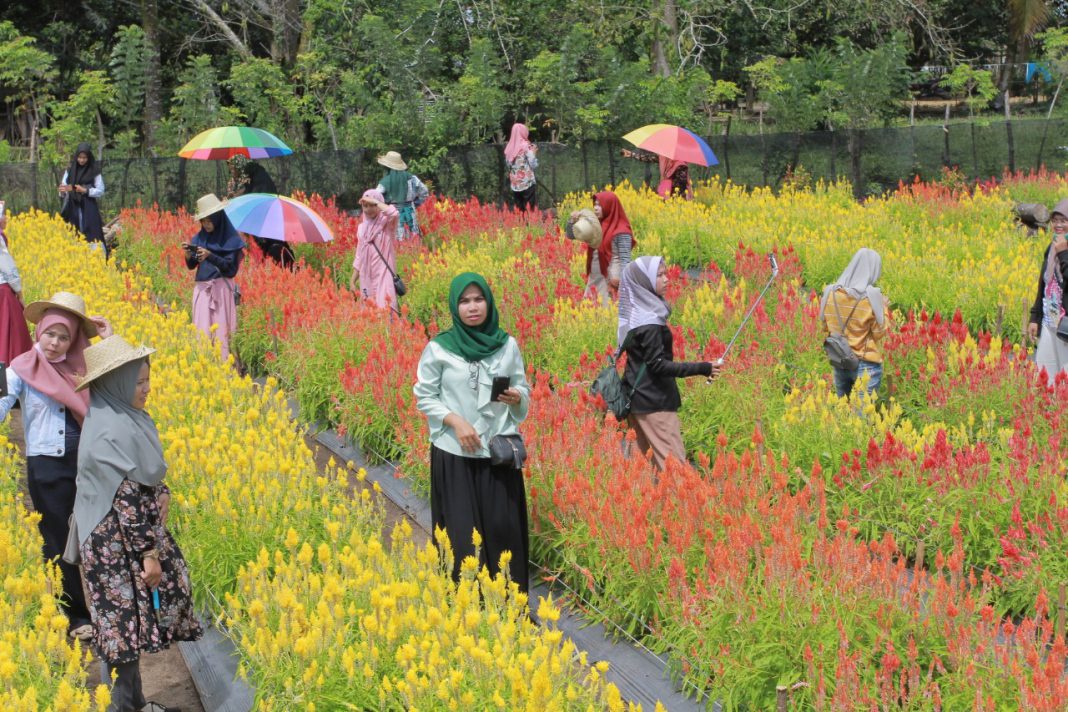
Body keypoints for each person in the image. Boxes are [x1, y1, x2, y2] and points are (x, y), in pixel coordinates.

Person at [71, 334, 202, 712]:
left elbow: (143, 476)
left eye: (147, 380)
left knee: (125, 626)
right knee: (120, 628)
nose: (146, 389)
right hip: (115, 546)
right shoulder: (109, 432)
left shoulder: (121, 418)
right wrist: (150, 556)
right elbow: (127, 501)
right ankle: (121, 707)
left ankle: (134, 703)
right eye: (138, 382)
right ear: (117, 385)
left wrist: (162, 492)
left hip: (122, 539)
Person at [0, 291, 112, 641]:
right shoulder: (18, 365)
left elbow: (119, 381)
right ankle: (77, 615)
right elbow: (2, 399)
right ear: (39, 331)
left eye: (64, 337)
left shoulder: (82, 366)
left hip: (88, 462)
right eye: (50, 333)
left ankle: (107, 609)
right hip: (47, 465)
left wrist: (109, 341)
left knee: (96, 534)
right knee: (59, 539)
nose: (55, 342)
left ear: (73, 340)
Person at [414, 273, 531, 593]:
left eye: (478, 299)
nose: (472, 307)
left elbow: (522, 388)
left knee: (502, 531)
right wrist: (454, 420)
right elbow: (425, 396)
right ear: (455, 307)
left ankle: (510, 605)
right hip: (455, 453)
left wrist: (517, 397)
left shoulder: (507, 345)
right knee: (462, 537)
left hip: (497, 453)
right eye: (464, 301)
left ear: (489, 302)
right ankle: (466, 606)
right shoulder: (439, 349)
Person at [618, 256, 716, 471]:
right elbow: (658, 365)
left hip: (637, 399)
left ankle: (654, 505)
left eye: (665, 273)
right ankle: (682, 505)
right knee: (675, 468)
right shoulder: (650, 322)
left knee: (646, 468)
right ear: (643, 281)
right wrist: (702, 368)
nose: (666, 279)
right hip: (655, 403)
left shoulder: (637, 314)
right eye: (659, 275)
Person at [183, 194, 245, 361]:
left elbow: (231, 269)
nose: (206, 225)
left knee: (222, 333)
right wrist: (189, 255)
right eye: (203, 221)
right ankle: (205, 368)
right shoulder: (199, 238)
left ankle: (225, 369)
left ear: (218, 218)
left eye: (209, 221)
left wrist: (210, 255)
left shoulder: (231, 239)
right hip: (202, 291)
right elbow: (192, 267)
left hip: (222, 291)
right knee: (202, 331)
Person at [819, 248, 888, 397]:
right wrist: (884, 308)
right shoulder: (871, 299)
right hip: (866, 366)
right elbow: (879, 333)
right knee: (861, 418)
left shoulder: (830, 293)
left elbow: (825, 326)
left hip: (839, 361)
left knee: (843, 414)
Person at [226, 155, 294, 268]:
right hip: (263, 225)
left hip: (267, 221)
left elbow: (254, 199)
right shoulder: (251, 175)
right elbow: (246, 194)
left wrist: (236, 198)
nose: (232, 172)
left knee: (272, 250)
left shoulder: (258, 176)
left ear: (240, 167)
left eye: (233, 169)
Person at [1028, 199, 1068, 377]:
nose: (1058, 225)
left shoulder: (1060, 249)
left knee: (1065, 378)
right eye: (1055, 220)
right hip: (1049, 323)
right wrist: (1035, 317)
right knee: (1043, 376)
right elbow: (1044, 284)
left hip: (1065, 326)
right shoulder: (1051, 248)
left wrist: (1064, 253)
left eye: (1063, 220)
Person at [575, 191, 634, 298]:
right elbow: (573, 235)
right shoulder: (597, 226)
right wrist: (573, 221)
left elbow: (625, 260)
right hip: (595, 278)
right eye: (595, 204)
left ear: (609, 206)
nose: (596, 208)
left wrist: (621, 284)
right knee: (590, 311)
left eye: (600, 205)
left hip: (611, 281)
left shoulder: (622, 230)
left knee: (606, 312)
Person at [350, 189, 400, 310]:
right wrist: (352, 281)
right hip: (367, 275)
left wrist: (376, 202)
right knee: (370, 311)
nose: (368, 209)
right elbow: (359, 256)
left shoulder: (386, 224)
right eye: (365, 206)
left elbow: (394, 213)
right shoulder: (362, 229)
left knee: (386, 308)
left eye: (372, 205)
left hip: (384, 274)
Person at [58, 142, 106, 249]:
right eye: (79, 157)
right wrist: (62, 190)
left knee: (92, 233)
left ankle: (96, 258)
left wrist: (85, 190)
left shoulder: (94, 171)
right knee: (73, 232)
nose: (82, 160)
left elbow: (101, 190)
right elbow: (65, 187)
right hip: (72, 207)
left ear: (89, 157)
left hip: (89, 207)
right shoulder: (70, 171)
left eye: (84, 158)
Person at [375, 151, 430, 241]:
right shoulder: (412, 178)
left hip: (392, 214)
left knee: (395, 241)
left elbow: (375, 198)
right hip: (410, 212)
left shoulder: (385, 182)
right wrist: (415, 203)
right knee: (413, 238)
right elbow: (424, 191)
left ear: (387, 167)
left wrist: (383, 207)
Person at [0, 211, 32, 363]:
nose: (6, 218)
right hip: (3, 291)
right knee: (13, 332)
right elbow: (7, 266)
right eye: (3, 215)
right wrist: (19, 291)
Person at [504, 123, 538, 211]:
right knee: (530, 207)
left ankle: (519, 223)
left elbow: (508, 165)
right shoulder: (526, 146)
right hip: (527, 182)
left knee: (519, 207)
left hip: (515, 182)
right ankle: (530, 224)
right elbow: (533, 163)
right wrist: (534, 152)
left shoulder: (509, 147)